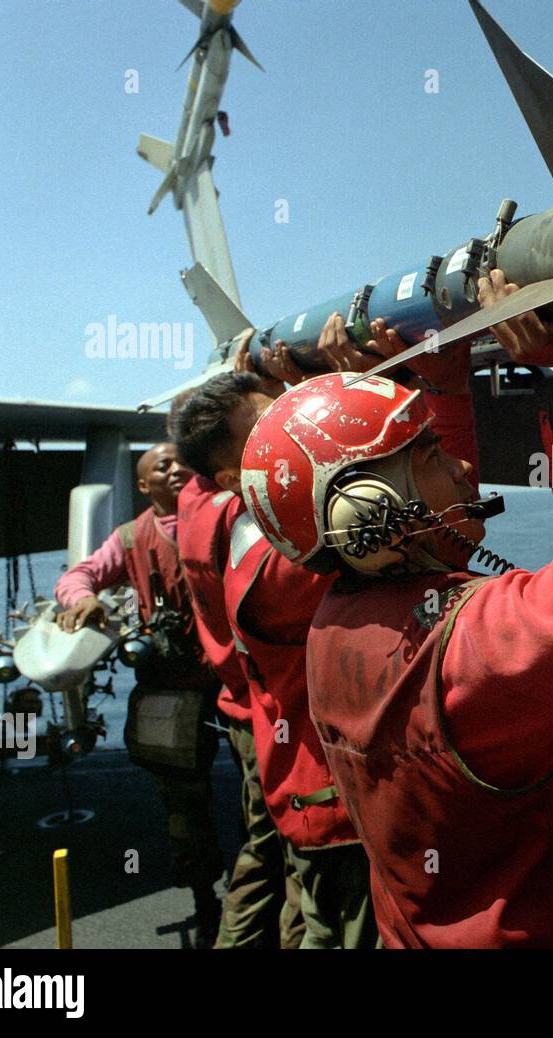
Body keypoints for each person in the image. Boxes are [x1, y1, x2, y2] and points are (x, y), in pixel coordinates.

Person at [239, 270, 553, 947]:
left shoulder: (339, 621)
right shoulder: (476, 653)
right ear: (374, 514)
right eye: (435, 455)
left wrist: (441, 383)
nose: (469, 471)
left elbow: (437, 536)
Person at [170, 314, 398, 948]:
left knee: (300, 897)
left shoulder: (205, 509)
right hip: (326, 788)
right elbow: (409, 505)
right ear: (228, 478)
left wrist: (243, 383)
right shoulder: (288, 559)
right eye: (269, 426)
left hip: (282, 760)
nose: (292, 427)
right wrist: (359, 380)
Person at [55, 442, 224, 947]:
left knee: (259, 796)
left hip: (235, 683)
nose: (174, 469)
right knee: (183, 808)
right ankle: (204, 898)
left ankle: (261, 893)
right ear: (144, 487)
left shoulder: (222, 515)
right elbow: (78, 576)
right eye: (160, 467)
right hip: (169, 687)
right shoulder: (130, 538)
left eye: (179, 461)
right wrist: (83, 600)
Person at [172, 387, 306, 950]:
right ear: (227, 472)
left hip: (239, 707)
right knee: (292, 853)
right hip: (266, 712)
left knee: (266, 842)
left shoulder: (192, 503)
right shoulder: (238, 515)